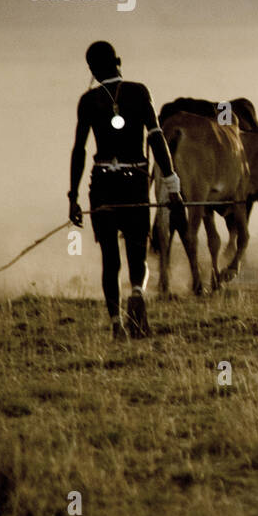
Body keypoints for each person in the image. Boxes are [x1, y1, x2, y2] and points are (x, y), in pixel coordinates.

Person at [68, 41, 183, 339]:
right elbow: (157, 140)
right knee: (137, 253)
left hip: (102, 183)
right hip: (134, 183)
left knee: (110, 258)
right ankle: (136, 294)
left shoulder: (89, 101)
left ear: (92, 70)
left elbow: (79, 150)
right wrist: (172, 185)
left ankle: (116, 324)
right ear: (119, 61)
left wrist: (73, 197)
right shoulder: (139, 92)